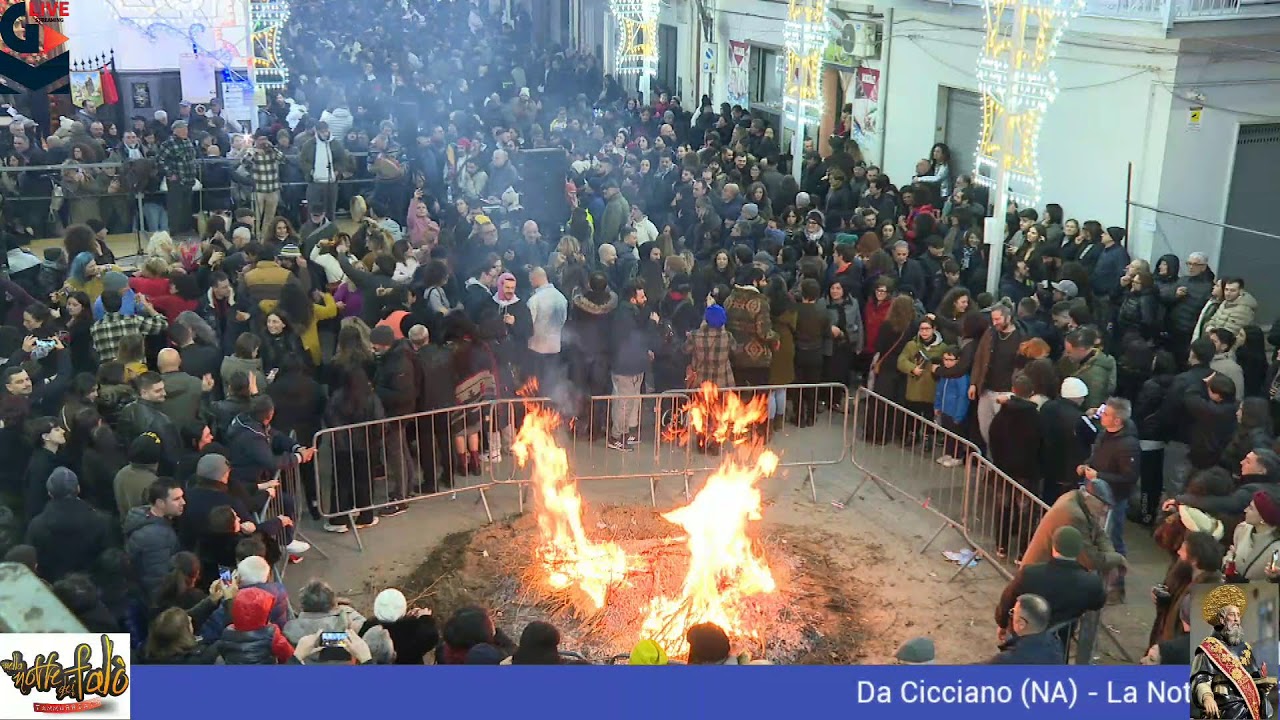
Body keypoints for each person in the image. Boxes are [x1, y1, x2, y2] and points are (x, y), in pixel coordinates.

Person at [1077, 397, 1141, 603]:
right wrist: (1086, 466)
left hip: (1114, 500)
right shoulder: (1105, 435)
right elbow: (1095, 456)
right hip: (1095, 495)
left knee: (1113, 541)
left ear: (1117, 420)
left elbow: (1129, 477)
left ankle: (1116, 587)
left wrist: (1099, 476)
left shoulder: (1128, 445)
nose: (1101, 415)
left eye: (1106, 414)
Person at [995, 526, 1105, 638]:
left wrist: (1002, 623)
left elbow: (1007, 600)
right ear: (1079, 550)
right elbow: (1098, 603)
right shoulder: (1091, 583)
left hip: (1025, 638)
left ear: (1053, 547)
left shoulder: (1030, 574)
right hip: (1060, 642)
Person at [1190, 585, 1277, 720]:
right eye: (1232, 615)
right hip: (1224, 707)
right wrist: (1207, 697)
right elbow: (1200, 680)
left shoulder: (1245, 648)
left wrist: (1263, 684)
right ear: (1221, 619)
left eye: (1238, 615)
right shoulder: (1209, 648)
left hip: (1249, 708)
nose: (1237, 619)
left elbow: (1252, 678)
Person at [24, 468, 112, 583]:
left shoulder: (36, 526)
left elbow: (33, 561)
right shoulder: (101, 521)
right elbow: (108, 560)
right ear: (78, 489)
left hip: (54, 591)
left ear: (50, 493)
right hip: (90, 588)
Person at [608, 279, 659, 451]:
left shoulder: (634, 312)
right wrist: (652, 323)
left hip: (635, 364)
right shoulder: (624, 316)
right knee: (624, 403)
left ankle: (627, 432)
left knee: (632, 401)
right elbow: (637, 339)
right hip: (626, 367)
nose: (645, 299)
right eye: (641, 296)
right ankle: (616, 436)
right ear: (632, 299)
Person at [123, 479, 186, 602]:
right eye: (176, 499)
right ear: (160, 503)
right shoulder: (156, 537)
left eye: (182, 497)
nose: (183, 502)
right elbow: (156, 580)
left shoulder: (147, 519)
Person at [988, 594, 1063, 664]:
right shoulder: (1055, 643)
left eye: (1013, 612)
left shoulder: (1008, 659)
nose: (1012, 615)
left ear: (1021, 624)